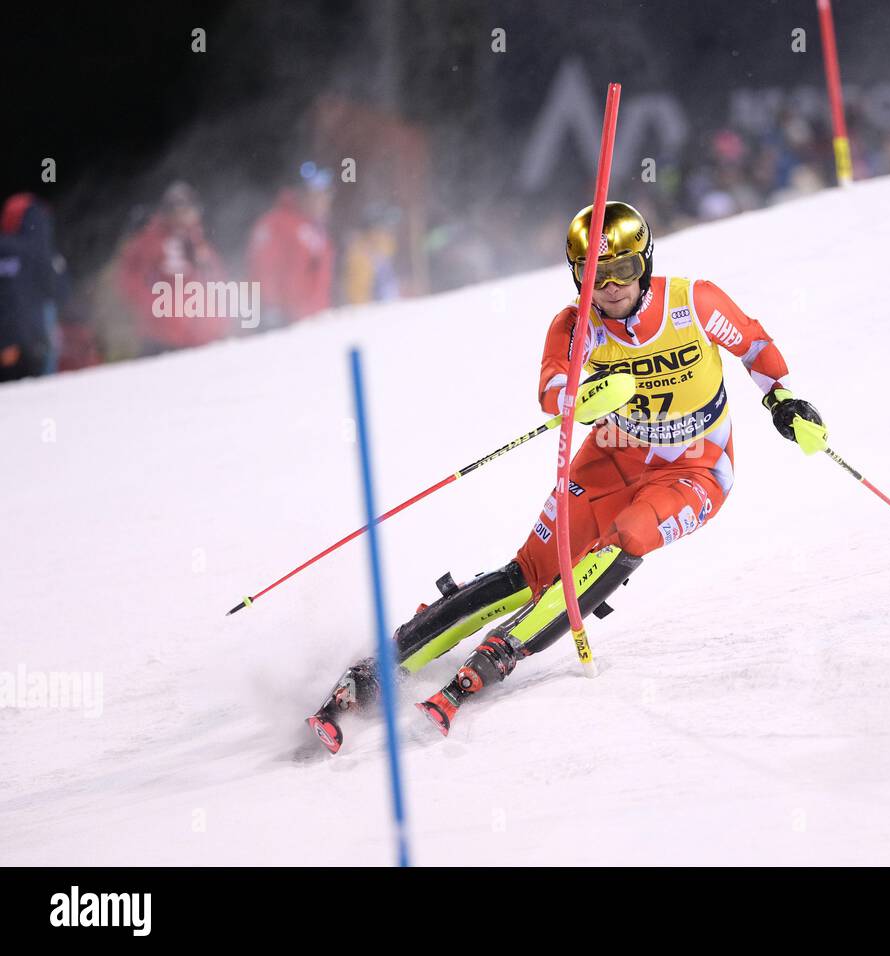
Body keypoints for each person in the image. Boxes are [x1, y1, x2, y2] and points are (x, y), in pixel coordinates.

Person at [307, 201, 826, 753]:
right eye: (593, 275)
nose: (609, 286)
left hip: (696, 467)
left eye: (622, 270)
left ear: (644, 263)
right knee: (531, 570)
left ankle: (495, 657)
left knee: (630, 535)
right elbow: (551, 390)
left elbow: (754, 345)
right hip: (611, 454)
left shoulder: (692, 303)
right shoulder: (575, 324)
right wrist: (581, 398)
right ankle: (376, 672)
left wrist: (782, 399)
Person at [116, 181, 228, 356]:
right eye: (181, 210)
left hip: (195, 334)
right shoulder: (152, 240)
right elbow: (130, 277)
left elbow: (214, 280)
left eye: (190, 210)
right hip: (162, 335)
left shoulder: (197, 241)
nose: (188, 216)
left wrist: (216, 323)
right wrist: (152, 305)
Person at [247, 163, 335, 328]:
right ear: (300, 195)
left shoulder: (316, 228)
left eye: (325, 195)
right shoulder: (276, 223)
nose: (323, 201)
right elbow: (263, 268)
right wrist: (270, 307)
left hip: (314, 319)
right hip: (287, 321)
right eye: (316, 196)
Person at [0, 193, 66, 382]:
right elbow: (60, 291)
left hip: (17, 343)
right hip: (30, 343)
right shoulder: (36, 252)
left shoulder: (9, 249)